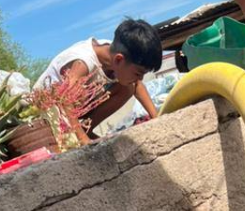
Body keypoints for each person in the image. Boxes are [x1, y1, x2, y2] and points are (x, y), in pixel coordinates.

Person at [34, 17, 162, 134]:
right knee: (74, 93)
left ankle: (86, 129)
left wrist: (157, 119)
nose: (140, 79)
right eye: (138, 73)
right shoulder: (82, 62)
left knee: (128, 87)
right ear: (119, 60)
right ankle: (80, 135)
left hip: (75, 110)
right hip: (45, 113)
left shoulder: (115, 53)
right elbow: (65, 100)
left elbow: (137, 85)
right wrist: (83, 141)